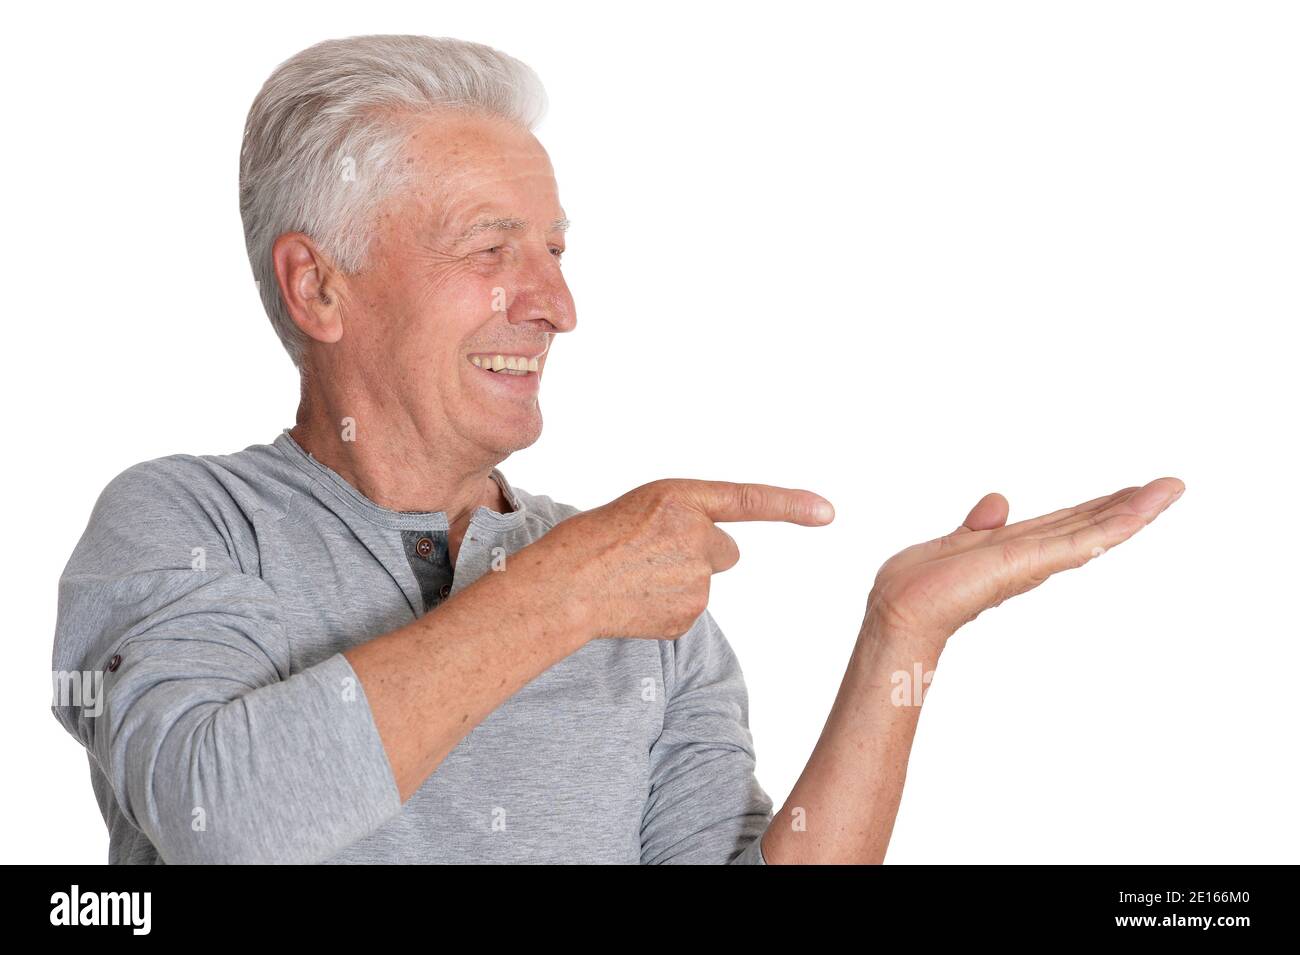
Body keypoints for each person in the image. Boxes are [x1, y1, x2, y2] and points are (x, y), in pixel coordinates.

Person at [50, 34, 1183, 864]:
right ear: (318, 286)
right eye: (494, 247)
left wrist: (904, 636)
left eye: (554, 248)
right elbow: (221, 818)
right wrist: (556, 596)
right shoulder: (187, 524)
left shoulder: (632, 586)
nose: (555, 303)